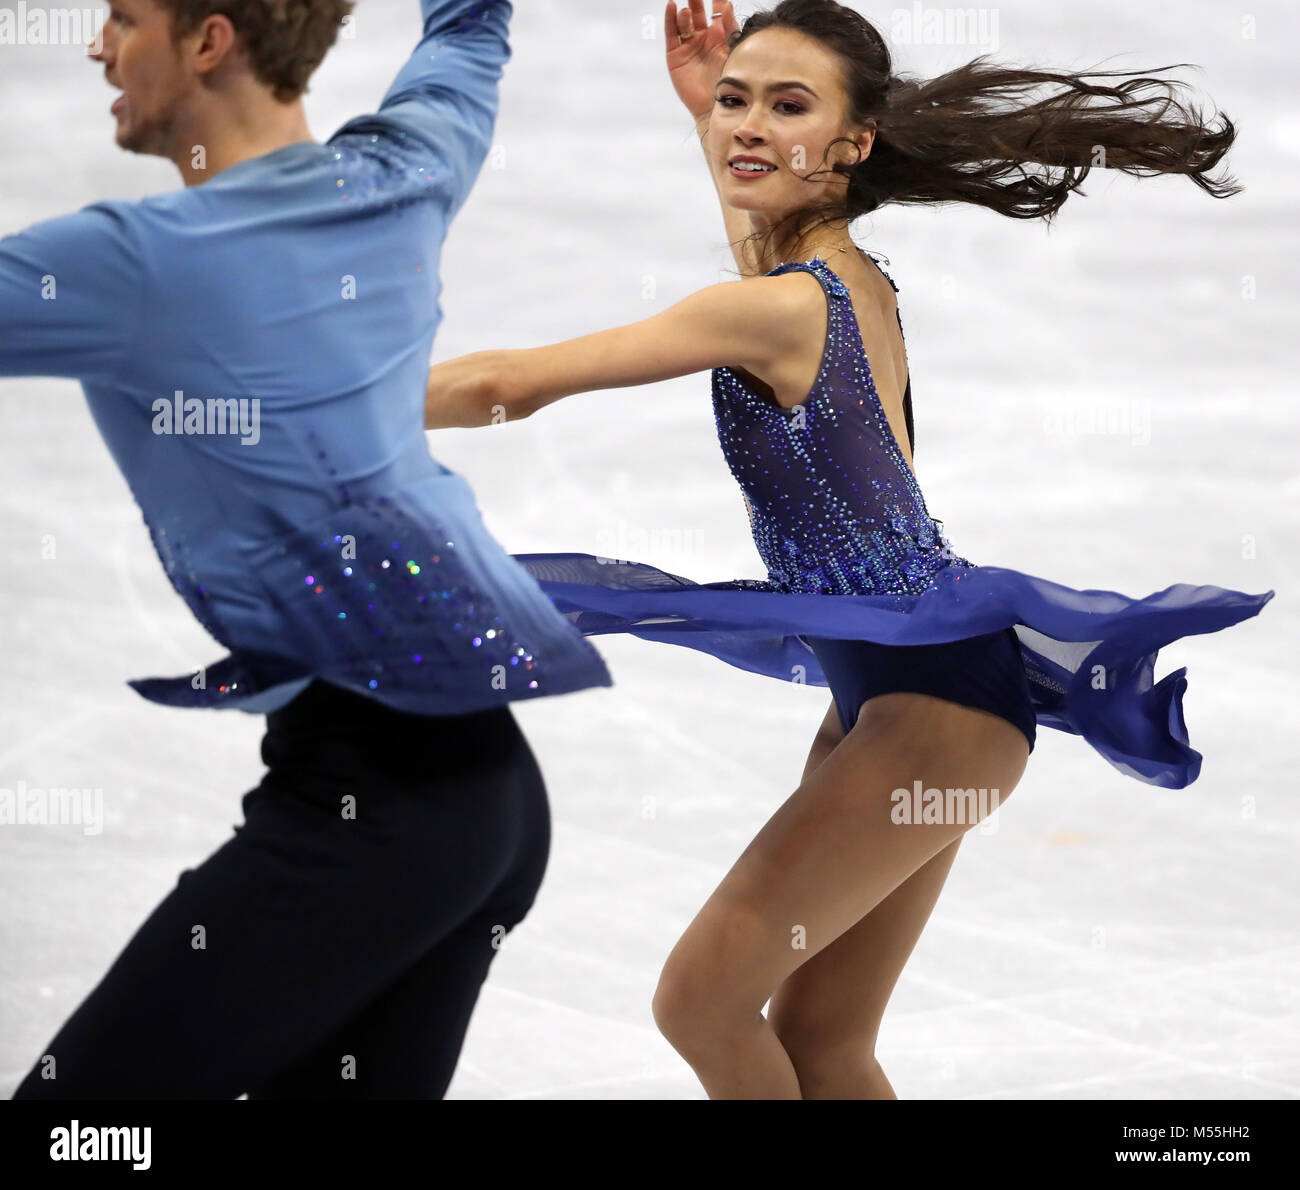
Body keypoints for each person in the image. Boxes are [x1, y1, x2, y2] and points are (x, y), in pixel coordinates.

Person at [421, 0, 1274, 1098]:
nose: (747, 125)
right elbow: (762, 251)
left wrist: (335, 409)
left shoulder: (779, 309)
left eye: (787, 106)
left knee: (700, 998)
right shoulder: (838, 276)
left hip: (931, 711)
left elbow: (505, 385)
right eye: (737, 99)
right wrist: (707, 119)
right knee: (822, 1037)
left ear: (852, 144)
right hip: (922, 697)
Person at [3, 0, 612, 1099]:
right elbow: (468, 30)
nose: (96, 44)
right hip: (486, 809)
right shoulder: (402, 172)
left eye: (125, 18)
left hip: (373, 822)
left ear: (209, 41)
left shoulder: (134, 263)